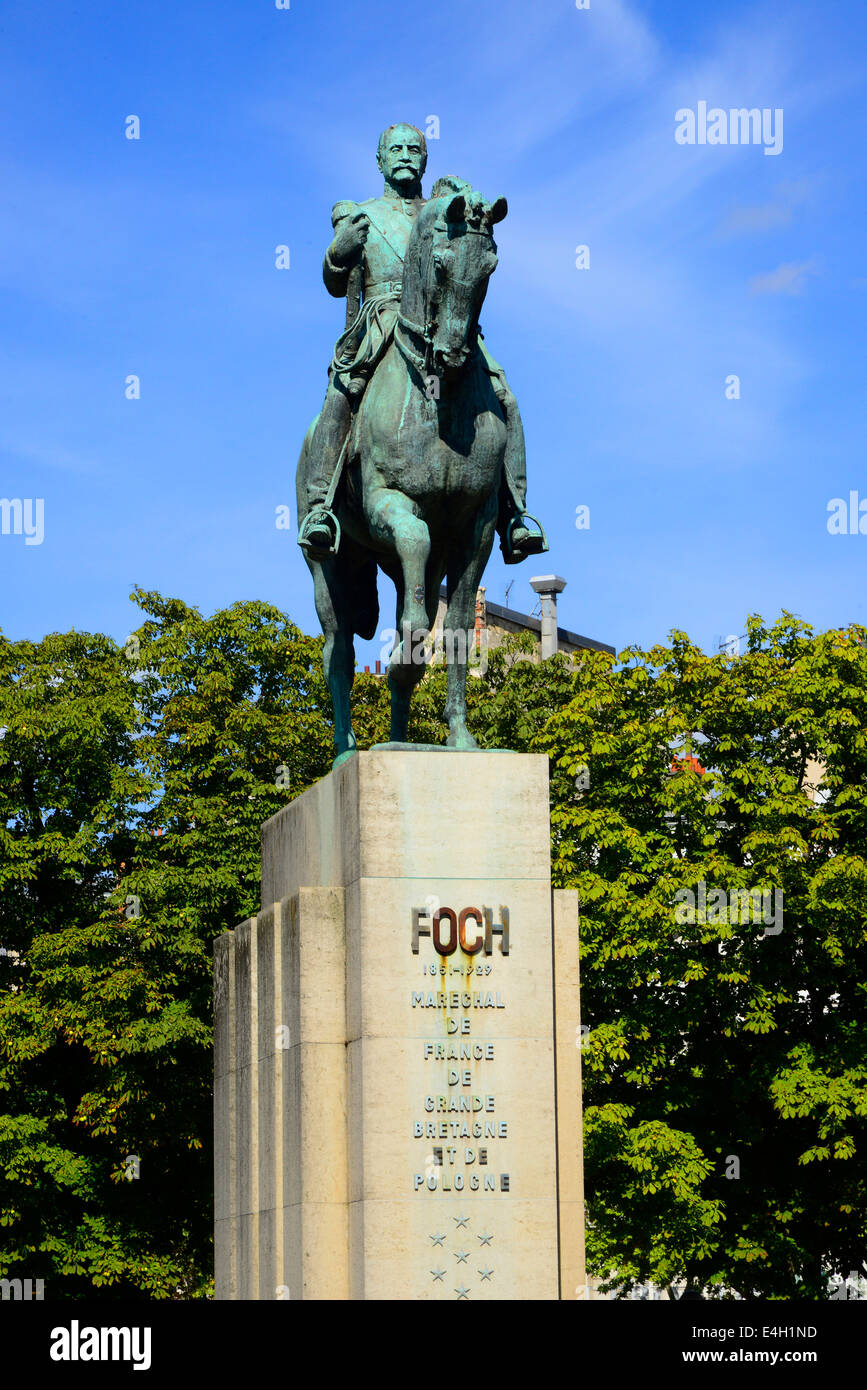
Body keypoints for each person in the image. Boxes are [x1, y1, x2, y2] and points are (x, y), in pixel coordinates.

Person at [298, 122, 547, 565]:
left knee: (503, 394)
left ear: (425, 160)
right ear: (379, 161)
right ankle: (320, 508)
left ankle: (515, 515)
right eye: (394, 149)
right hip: (380, 321)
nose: (405, 155)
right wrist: (339, 251)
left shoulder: (444, 210)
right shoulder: (362, 215)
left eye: (414, 149)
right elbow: (335, 285)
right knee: (341, 391)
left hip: (444, 322)